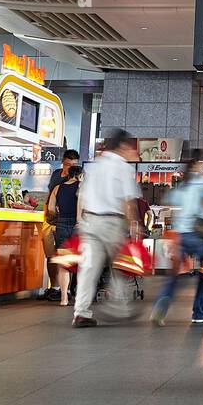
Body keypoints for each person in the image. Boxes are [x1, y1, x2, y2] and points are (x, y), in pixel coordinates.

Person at [72, 129, 144, 327]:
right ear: (122, 146)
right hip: (111, 222)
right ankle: (119, 307)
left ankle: (81, 312)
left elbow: (82, 196)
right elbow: (128, 201)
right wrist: (134, 225)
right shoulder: (121, 167)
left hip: (90, 221)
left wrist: (81, 220)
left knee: (88, 269)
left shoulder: (95, 166)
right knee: (120, 266)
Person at [151, 151, 203, 325]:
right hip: (199, 235)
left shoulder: (183, 184)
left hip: (180, 234)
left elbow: (168, 202)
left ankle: (162, 302)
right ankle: (199, 313)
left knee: (174, 275)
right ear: (199, 163)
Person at [46, 165, 82, 306]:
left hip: (61, 225)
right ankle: (79, 296)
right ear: (79, 175)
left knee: (64, 263)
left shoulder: (57, 188)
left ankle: (63, 298)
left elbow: (50, 208)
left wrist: (58, 215)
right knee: (79, 262)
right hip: (77, 225)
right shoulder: (81, 187)